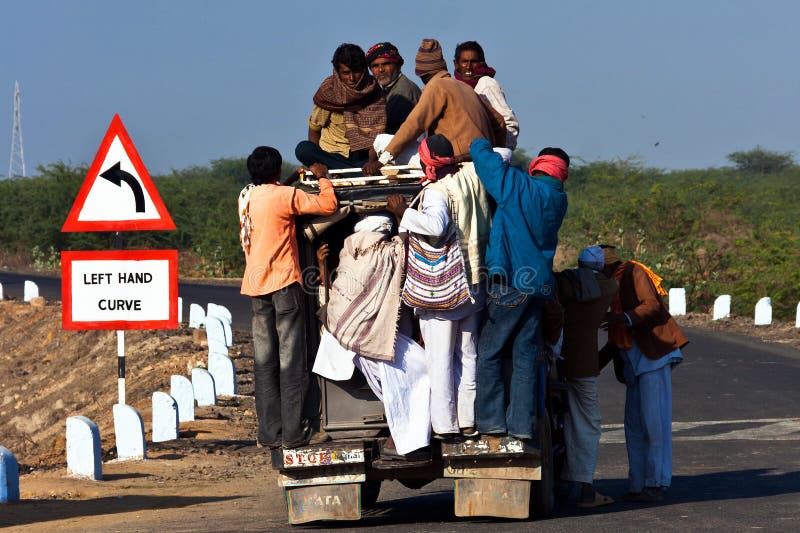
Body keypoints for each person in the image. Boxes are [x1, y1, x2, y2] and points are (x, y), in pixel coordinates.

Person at [386, 134, 492, 439]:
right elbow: (502, 154)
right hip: (475, 280)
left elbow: (435, 225)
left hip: (445, 288)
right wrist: (463, 158)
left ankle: (445, 425)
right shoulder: (472, 177)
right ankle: (468, 420)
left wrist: (402, 212)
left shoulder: (435, 192)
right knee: (468, 355)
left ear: (429, 163)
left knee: (440, 359)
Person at [238, 147, 338, 449]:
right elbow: (329, 205)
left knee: (264, 363)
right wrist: (323, 178)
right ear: (277, 171)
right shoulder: (285, 197)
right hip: (283, 283)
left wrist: (293, 178)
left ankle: (270, 433)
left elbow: (273, 193)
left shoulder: (246, 196)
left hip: (255, 286)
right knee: (291, 362)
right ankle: (294, 433)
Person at [470, 140, 569, 441]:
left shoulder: (517, 186)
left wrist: (482, 139)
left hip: (511, 280)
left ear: (536, 166)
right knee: (525, 356)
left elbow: (482, 159)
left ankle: (491, 422)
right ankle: (521, 426)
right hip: (538, 285)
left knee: (489, 352)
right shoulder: (558, 199)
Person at [602, 245, 688, 503]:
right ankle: (638, 483)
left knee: (654, 423)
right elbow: (614, 340)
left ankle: (656, 482)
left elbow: (651, 305)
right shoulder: (610, 284)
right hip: (634, 362)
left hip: (652, 357)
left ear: (607, 266)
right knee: (634, 425)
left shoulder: (633, 272)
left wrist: (622, 318)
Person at [363, 38, 506, 176]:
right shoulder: (464, 86)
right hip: (481, 159)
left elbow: (415, 124)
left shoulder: (436, 86)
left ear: (421, 73)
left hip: (456, 162)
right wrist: (492, 154)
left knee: (381, 141)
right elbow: (500, 121)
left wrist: (382, 161)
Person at [554, 245, 619, 508]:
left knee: (564, 422)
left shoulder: (564, 284)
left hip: (556, 363)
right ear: (602, 267)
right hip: (583, 367)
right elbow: (601, 283)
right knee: (588, 425)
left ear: (579, 264)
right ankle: (584, 488)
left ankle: (564, 482)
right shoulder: (609, 287)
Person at [295, 43, 386, 171]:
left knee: (386, 159)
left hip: (363, 157)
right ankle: (353, 172)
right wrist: (316, 163)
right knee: (303, 149)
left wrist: (372, 163)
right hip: (332, 155)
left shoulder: (374, 91)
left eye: (356, 72)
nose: (352, 78)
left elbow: (377, 136)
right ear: (338, 72)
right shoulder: (328, 91)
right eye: (346, 73)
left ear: (364, 70)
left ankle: (348, 171)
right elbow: (314, 129)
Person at [453, 41, 519, 151]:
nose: (468, 66)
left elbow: (510, 124)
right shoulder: (457, 88)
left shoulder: (486, 84)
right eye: (464, 62)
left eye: (473, 62)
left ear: (481, 63)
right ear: (456, 64)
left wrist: (495, 153)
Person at [365, 42, 422, 135]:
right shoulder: (384, 90)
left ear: (398, 66)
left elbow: (392, 131)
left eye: (386, 64)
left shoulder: (402, 91)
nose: (381, 69)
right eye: (375, 66)